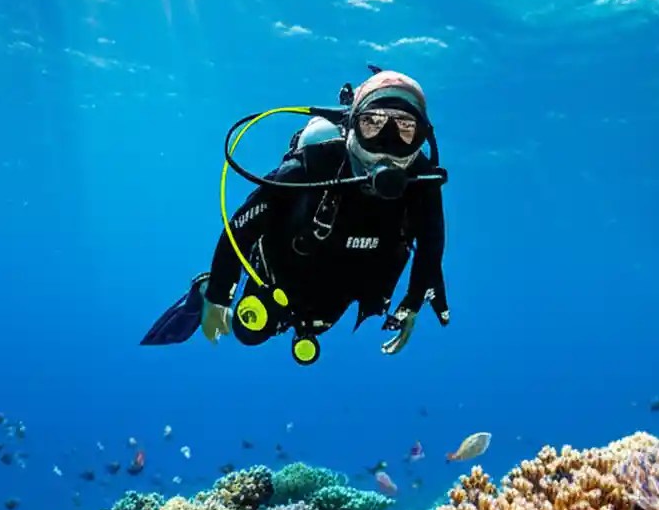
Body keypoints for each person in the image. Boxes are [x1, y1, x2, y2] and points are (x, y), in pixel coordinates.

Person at [140, 67, 450, 364]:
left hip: (346, 285)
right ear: (353, 125)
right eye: (373, 123)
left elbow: (431, 243)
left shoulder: (422, 183)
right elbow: (241, 227)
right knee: (249, 334)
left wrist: (413, 302)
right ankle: (202, 290)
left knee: (318, 324)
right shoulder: (311, 166)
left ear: (422, 136)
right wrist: (218, 295)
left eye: (406, 128)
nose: (387, 143)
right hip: (282, 276)